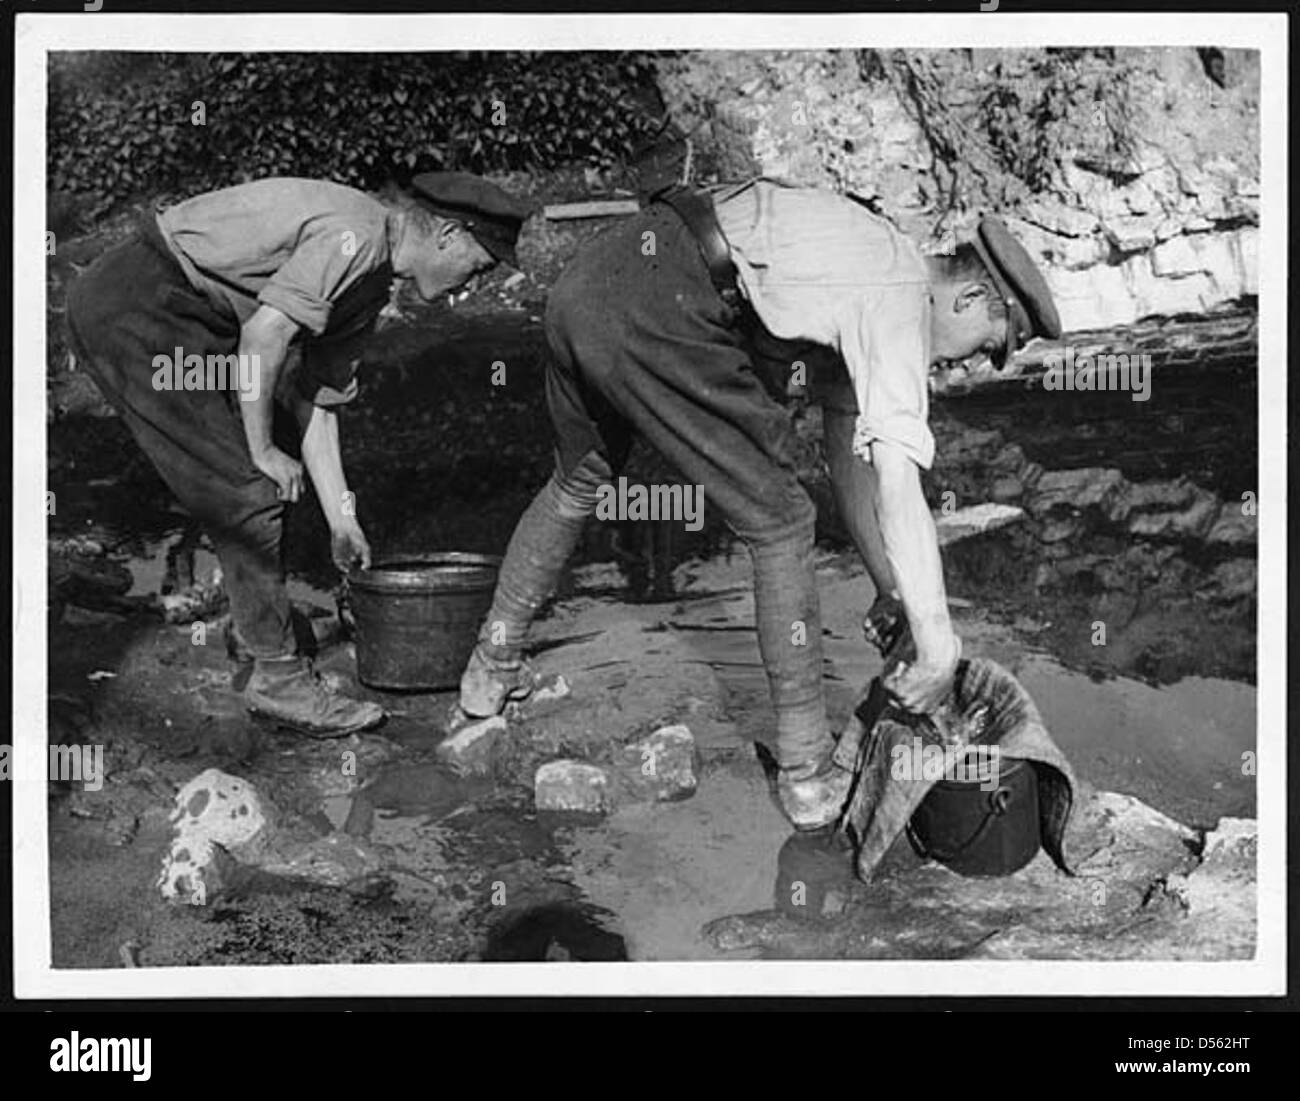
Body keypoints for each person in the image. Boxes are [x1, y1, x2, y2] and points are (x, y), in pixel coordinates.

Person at [454, 177, 1061, 830]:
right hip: (665, 301)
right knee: (782, 523)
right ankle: (807, 774)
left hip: (593, 284)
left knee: (577, 482)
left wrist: (893, 588)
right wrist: (938, 639)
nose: (969, 366)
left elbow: (851, 459)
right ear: (970, 297)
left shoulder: (872, 266)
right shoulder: (898, 296)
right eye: (985, 346)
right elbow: (896, 477)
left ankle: (485, 680)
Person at [66, 171, 533, 737]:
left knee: (269, 448)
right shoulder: (356, 239)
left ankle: (257, 628)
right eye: (479, 266)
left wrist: (344, 520)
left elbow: (317, 401)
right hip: (138, 306)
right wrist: (260, 451)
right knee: (247, 487)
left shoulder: (371, 282)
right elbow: (264, 337)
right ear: (449, 235)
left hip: (188, 318)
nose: (473, 286)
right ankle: (278, 680)